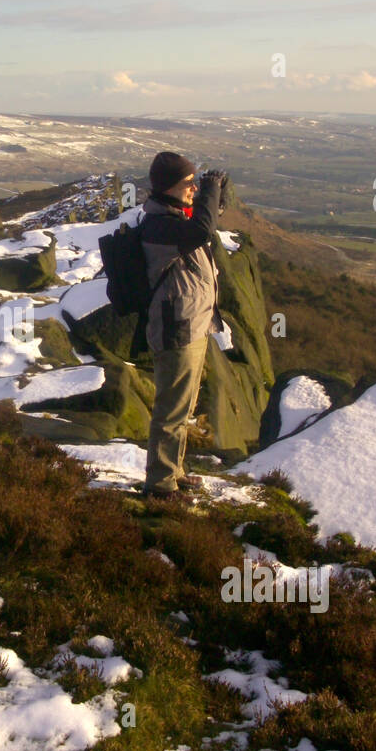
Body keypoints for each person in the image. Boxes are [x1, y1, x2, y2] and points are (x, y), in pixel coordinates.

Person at [136, 151, 227, 501]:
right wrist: (209, 191)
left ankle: (174, 471)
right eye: (188, 184)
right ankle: (159, 485)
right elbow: (202, 229)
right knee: (171, 409)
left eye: (194, 184)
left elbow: (204, 225)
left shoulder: (175, 219)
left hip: (193, 324)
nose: (192, 189)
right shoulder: (160, 226)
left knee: (184, 407)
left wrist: (215, 196)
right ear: (171, 187)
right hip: (177, 329)